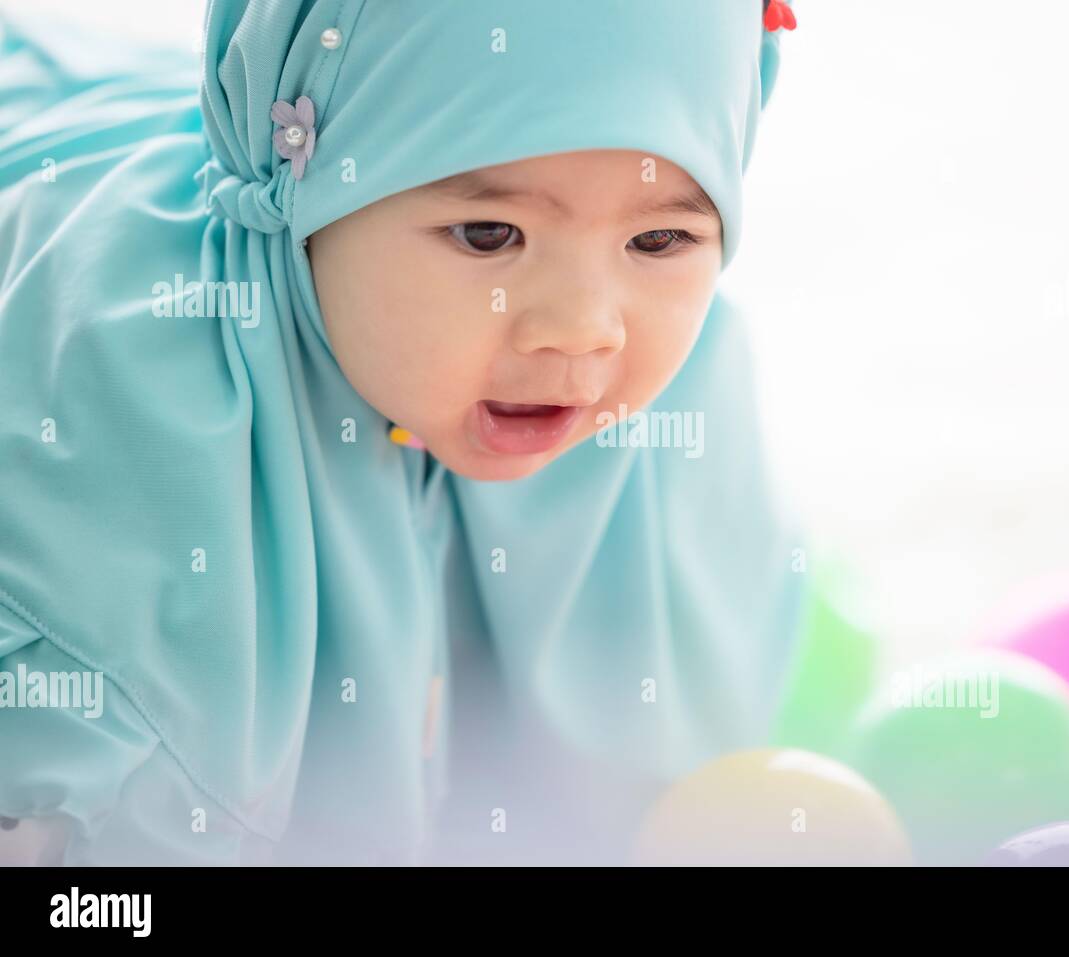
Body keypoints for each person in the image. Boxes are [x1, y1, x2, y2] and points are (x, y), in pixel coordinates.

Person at [0, 0, 804, 865]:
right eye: (490, 234)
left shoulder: (693, 399)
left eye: (658, 238)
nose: (581, 327)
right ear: (306, 197)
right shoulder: (115, 413)